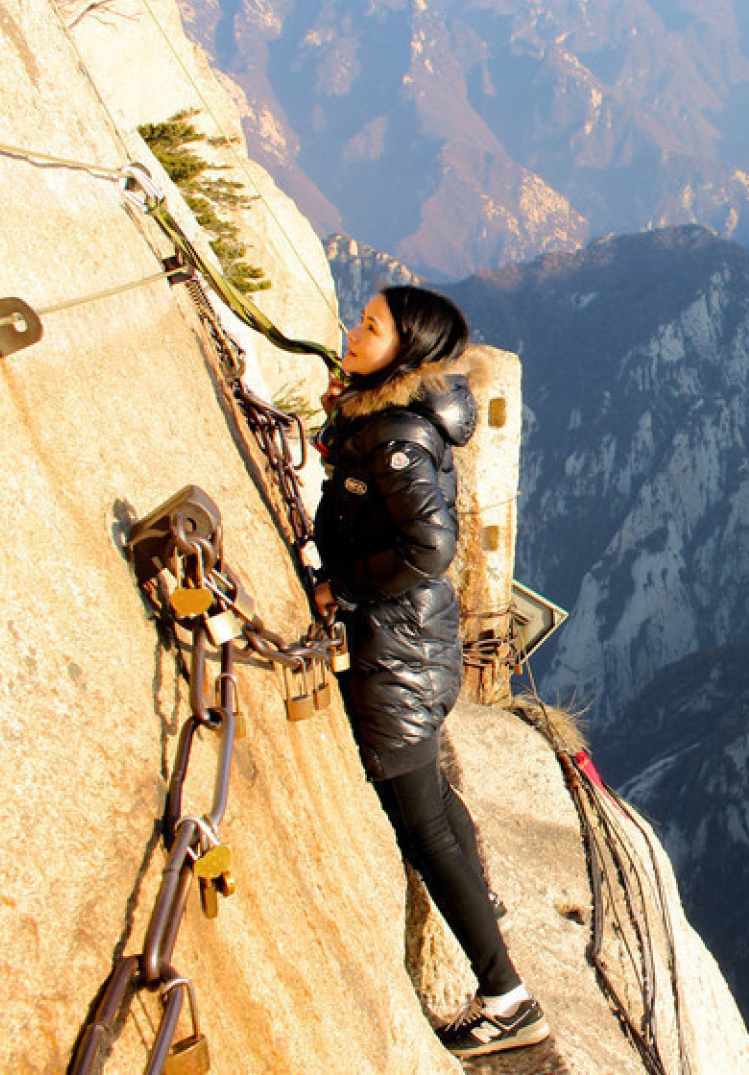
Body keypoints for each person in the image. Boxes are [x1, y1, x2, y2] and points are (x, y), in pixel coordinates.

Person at [311, 285, 551, 1057]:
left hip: (398, 658)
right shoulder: (386, 418)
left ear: (406, 351)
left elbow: (429, 545)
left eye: (372, 327)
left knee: (424, 828)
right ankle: (485, 908)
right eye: (362, 319)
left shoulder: (398, 437)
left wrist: (346, 585)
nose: (355, 331)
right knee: (437, 805)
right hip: (414, 645)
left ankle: (508, 998)